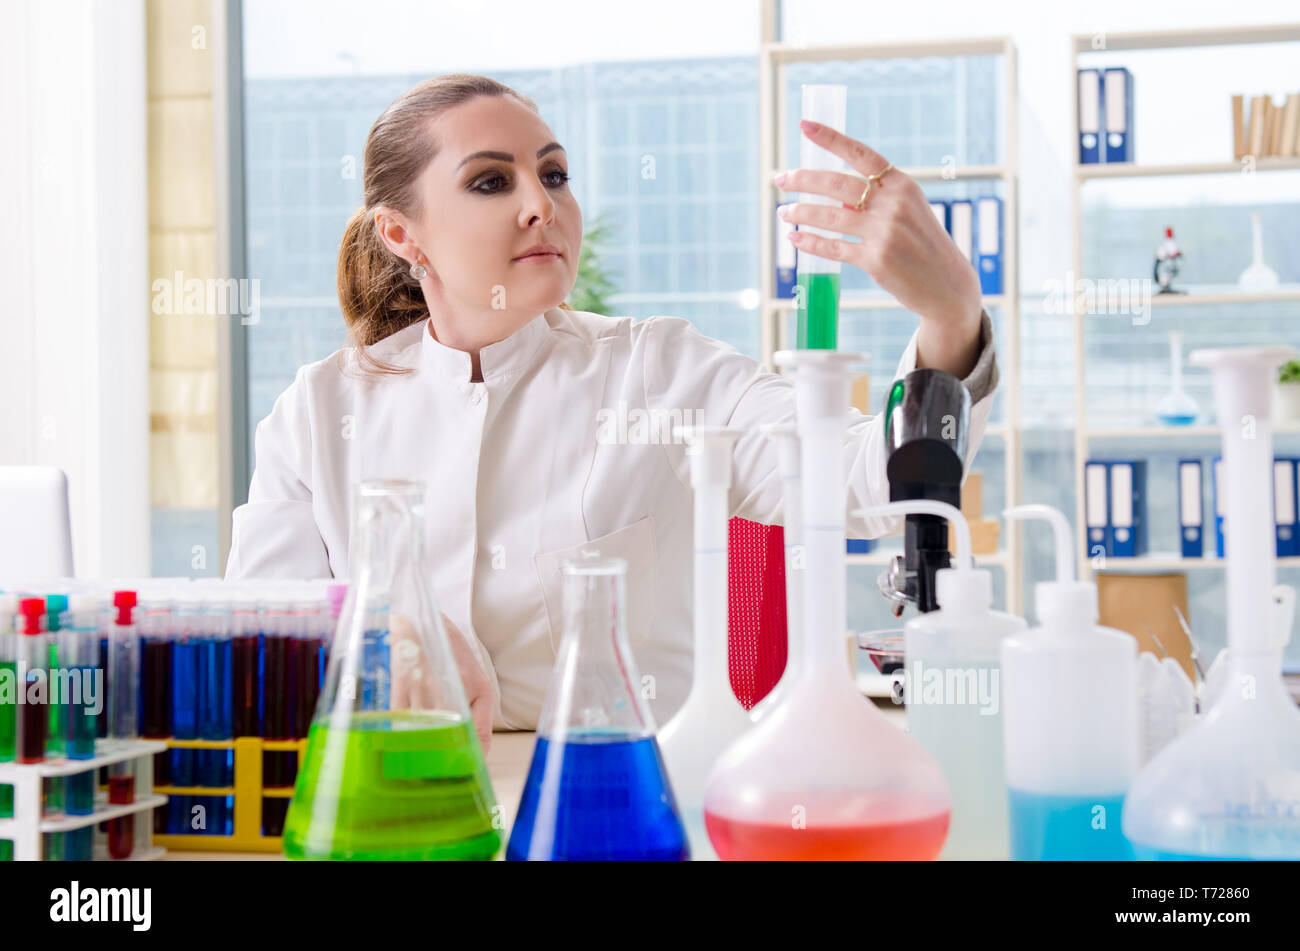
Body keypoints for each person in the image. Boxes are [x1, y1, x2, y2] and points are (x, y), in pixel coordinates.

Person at [225, 73, 999, 751]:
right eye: (492, 182)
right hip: (405, 798)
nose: (541, 205)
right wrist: (378, 631)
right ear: (402, 234)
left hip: (626, 805)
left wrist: (950, 314)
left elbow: (868, 484)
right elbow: (255, 644)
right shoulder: (318, 413)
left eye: (554, 174)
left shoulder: (662, 370)